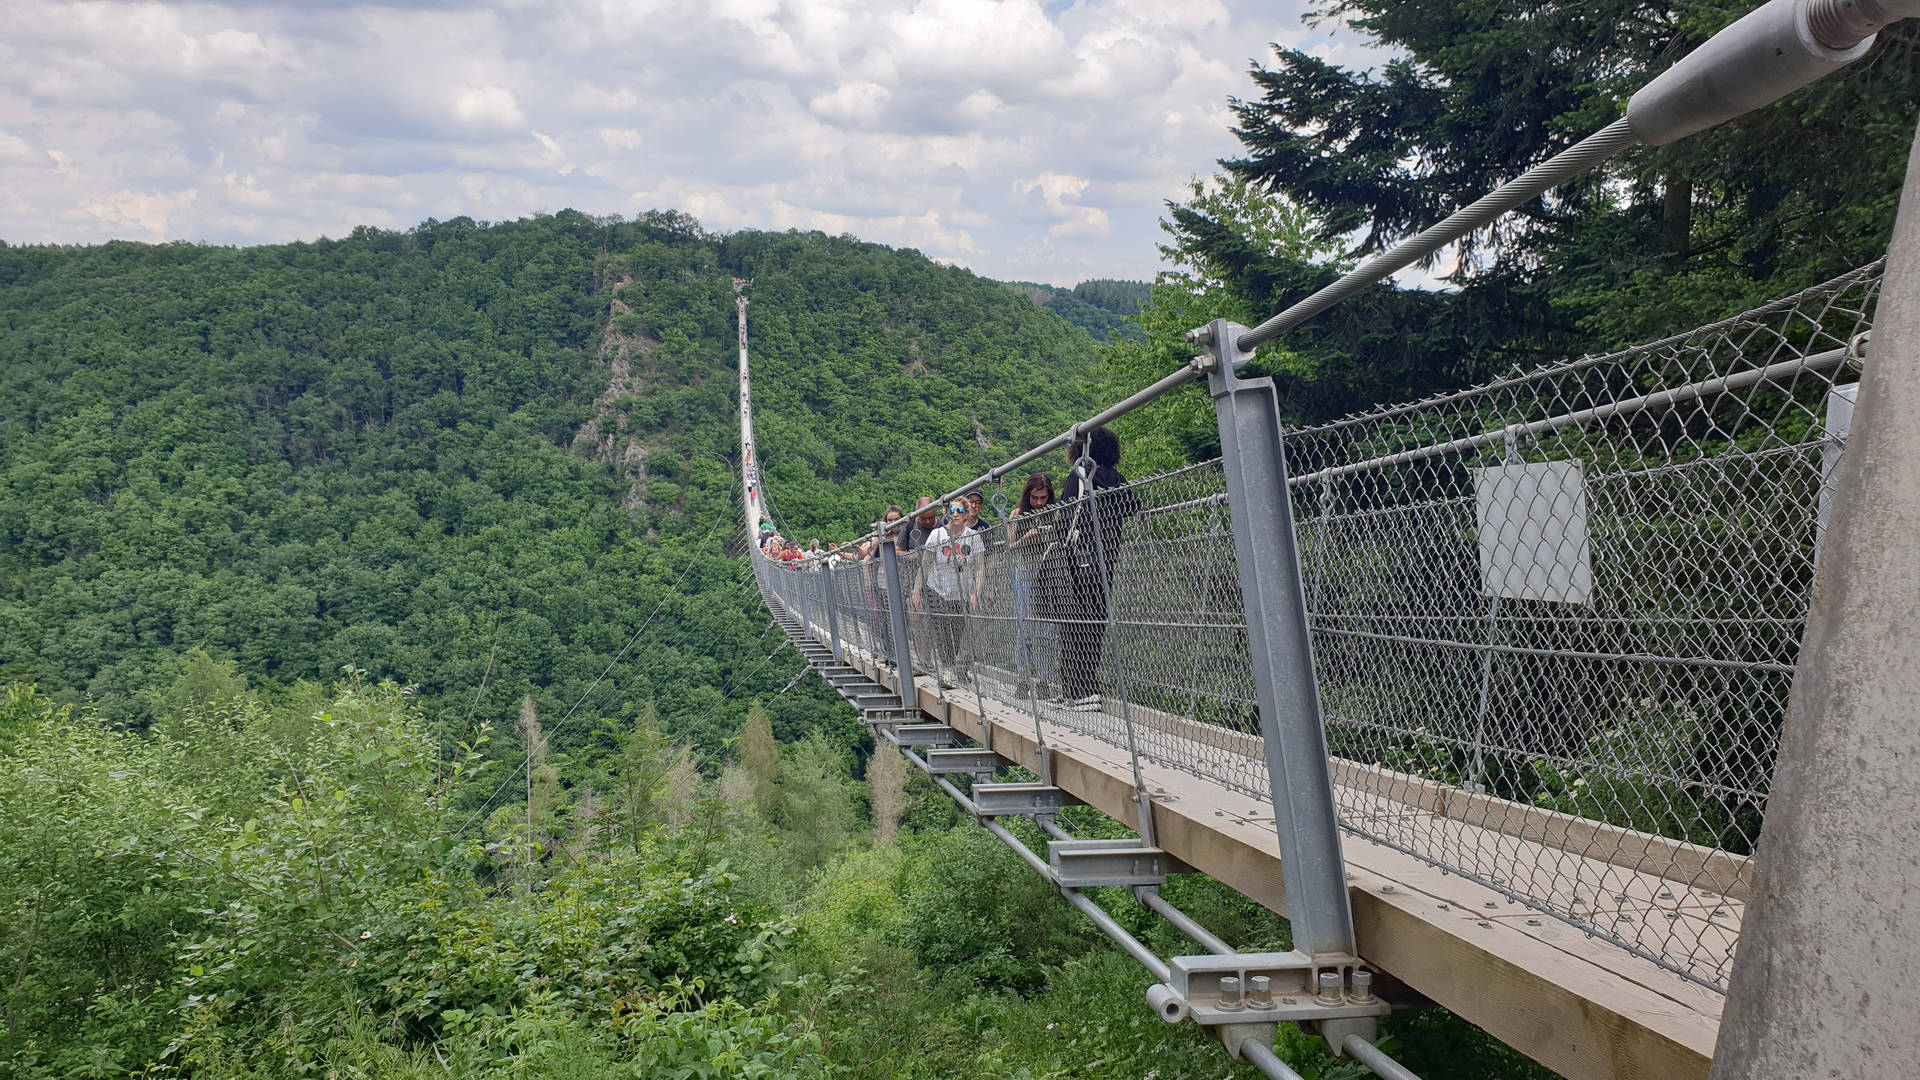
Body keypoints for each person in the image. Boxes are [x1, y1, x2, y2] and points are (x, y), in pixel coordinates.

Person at [1050, 426, 1140, 710]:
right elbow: (1133, 506)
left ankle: (1076, 692)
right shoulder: (1116, 478)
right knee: (1095, 624)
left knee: (1073, 626)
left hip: (1076, 563)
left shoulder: (1078, 476)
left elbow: (1063, 520)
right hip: (1105, 564)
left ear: (1080, 450)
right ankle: (1087, 688)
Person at [912, 499, 984, 682]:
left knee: (957, 632)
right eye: (952, 510)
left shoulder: (973, 536)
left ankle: (953, 667)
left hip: (961, 594)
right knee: (942, 632)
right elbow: (926, 562)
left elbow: (980, 566)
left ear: (966, 513)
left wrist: (977, 591)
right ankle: (948, 670)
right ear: (947, 513)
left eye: (960, 510)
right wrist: (917, 588)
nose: (956, 514)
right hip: (937, 590)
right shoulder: (937, 535)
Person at [1006, 473, 1058, 699]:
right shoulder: (1017, 515)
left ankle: (1045, 681)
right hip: (1025, 571)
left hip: (1048, 572)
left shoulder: (1055, 512)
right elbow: (1009, 546)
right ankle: (1023, 680)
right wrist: (1026, 537)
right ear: (1028, 496)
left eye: (1043, 498)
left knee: (1047, 630)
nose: (1039, 503)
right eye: (1035, 498)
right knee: (1025, 628)